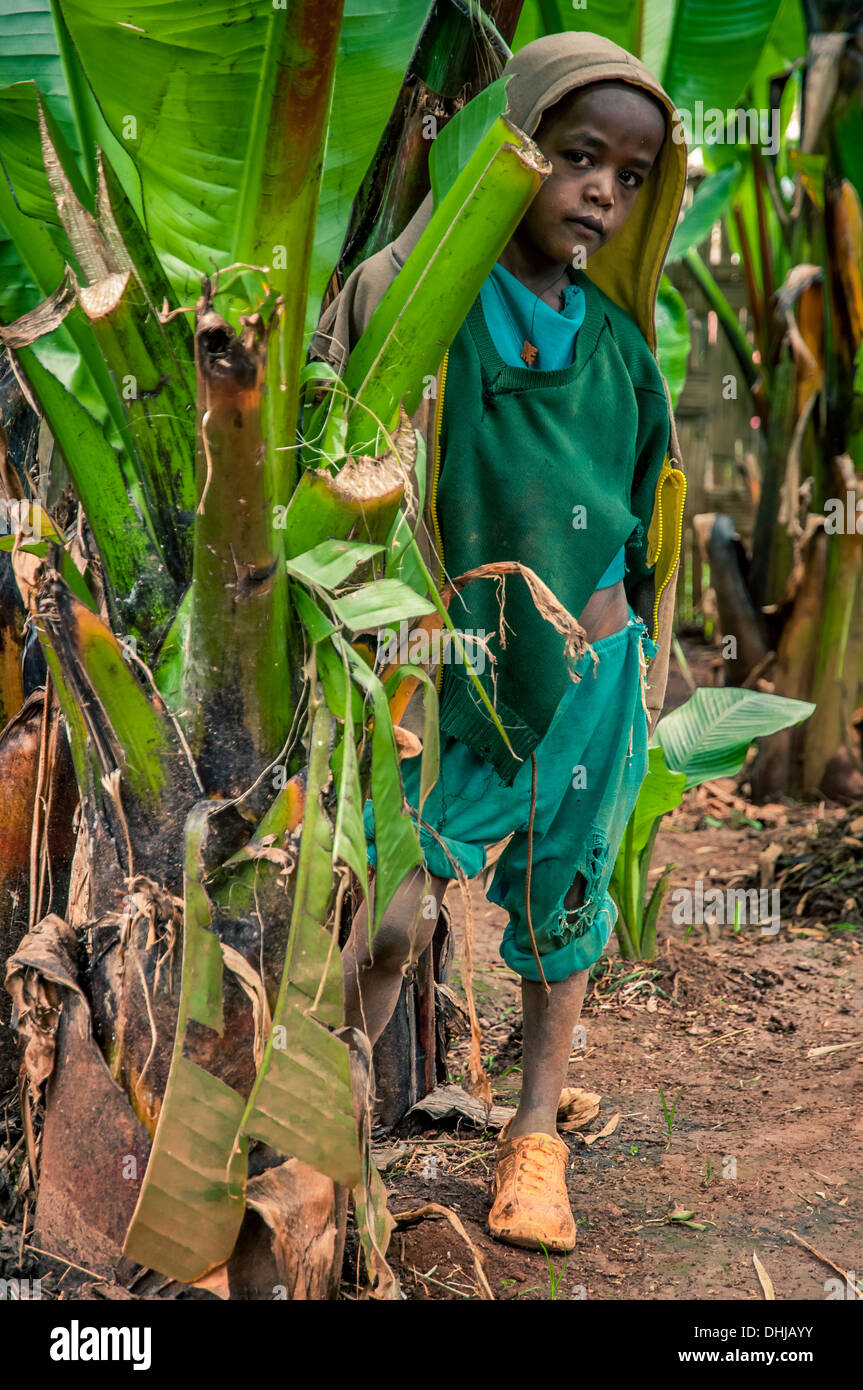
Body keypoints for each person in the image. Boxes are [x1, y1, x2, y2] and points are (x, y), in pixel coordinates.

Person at [313, 31, 687, 1254]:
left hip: (584, 684)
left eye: (630, 178)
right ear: (508, 148)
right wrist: (456, 194)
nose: (601, 193)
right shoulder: (426, 304)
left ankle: (534, 1132)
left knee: (559, 914)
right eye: (577, 157)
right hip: (445, 681)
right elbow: (372, 348)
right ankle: (325, 1134)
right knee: (392, 912)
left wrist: (638, 661)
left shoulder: (623, 356)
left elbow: (642, 524)